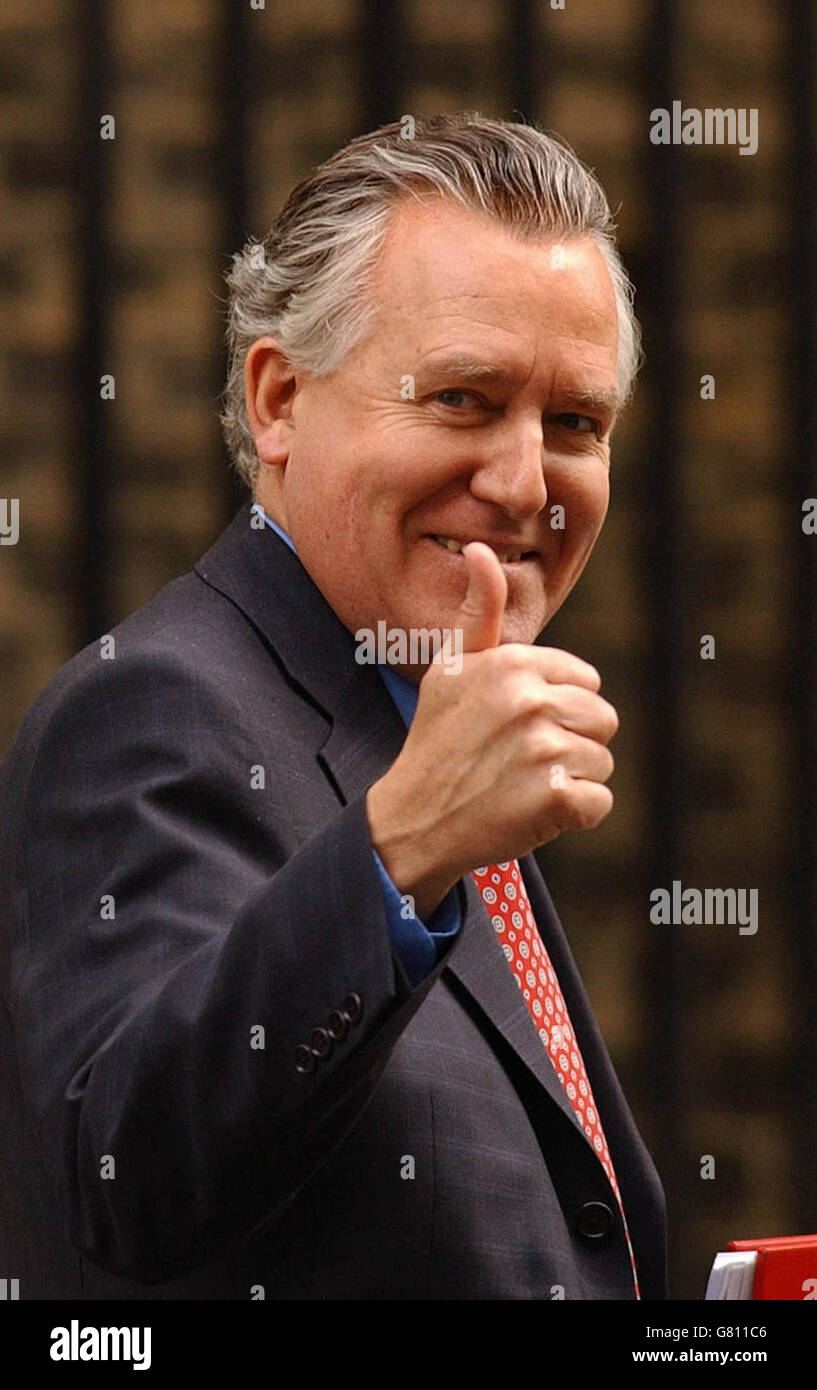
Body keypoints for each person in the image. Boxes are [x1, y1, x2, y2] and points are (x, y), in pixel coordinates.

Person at [0, 113, 666, 1300]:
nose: (524, 485)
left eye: (575, 422)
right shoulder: (155, 708)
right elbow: (123, 1175)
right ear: (278, 400)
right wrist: (403, 845)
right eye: (461, 398)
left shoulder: (411, 717)